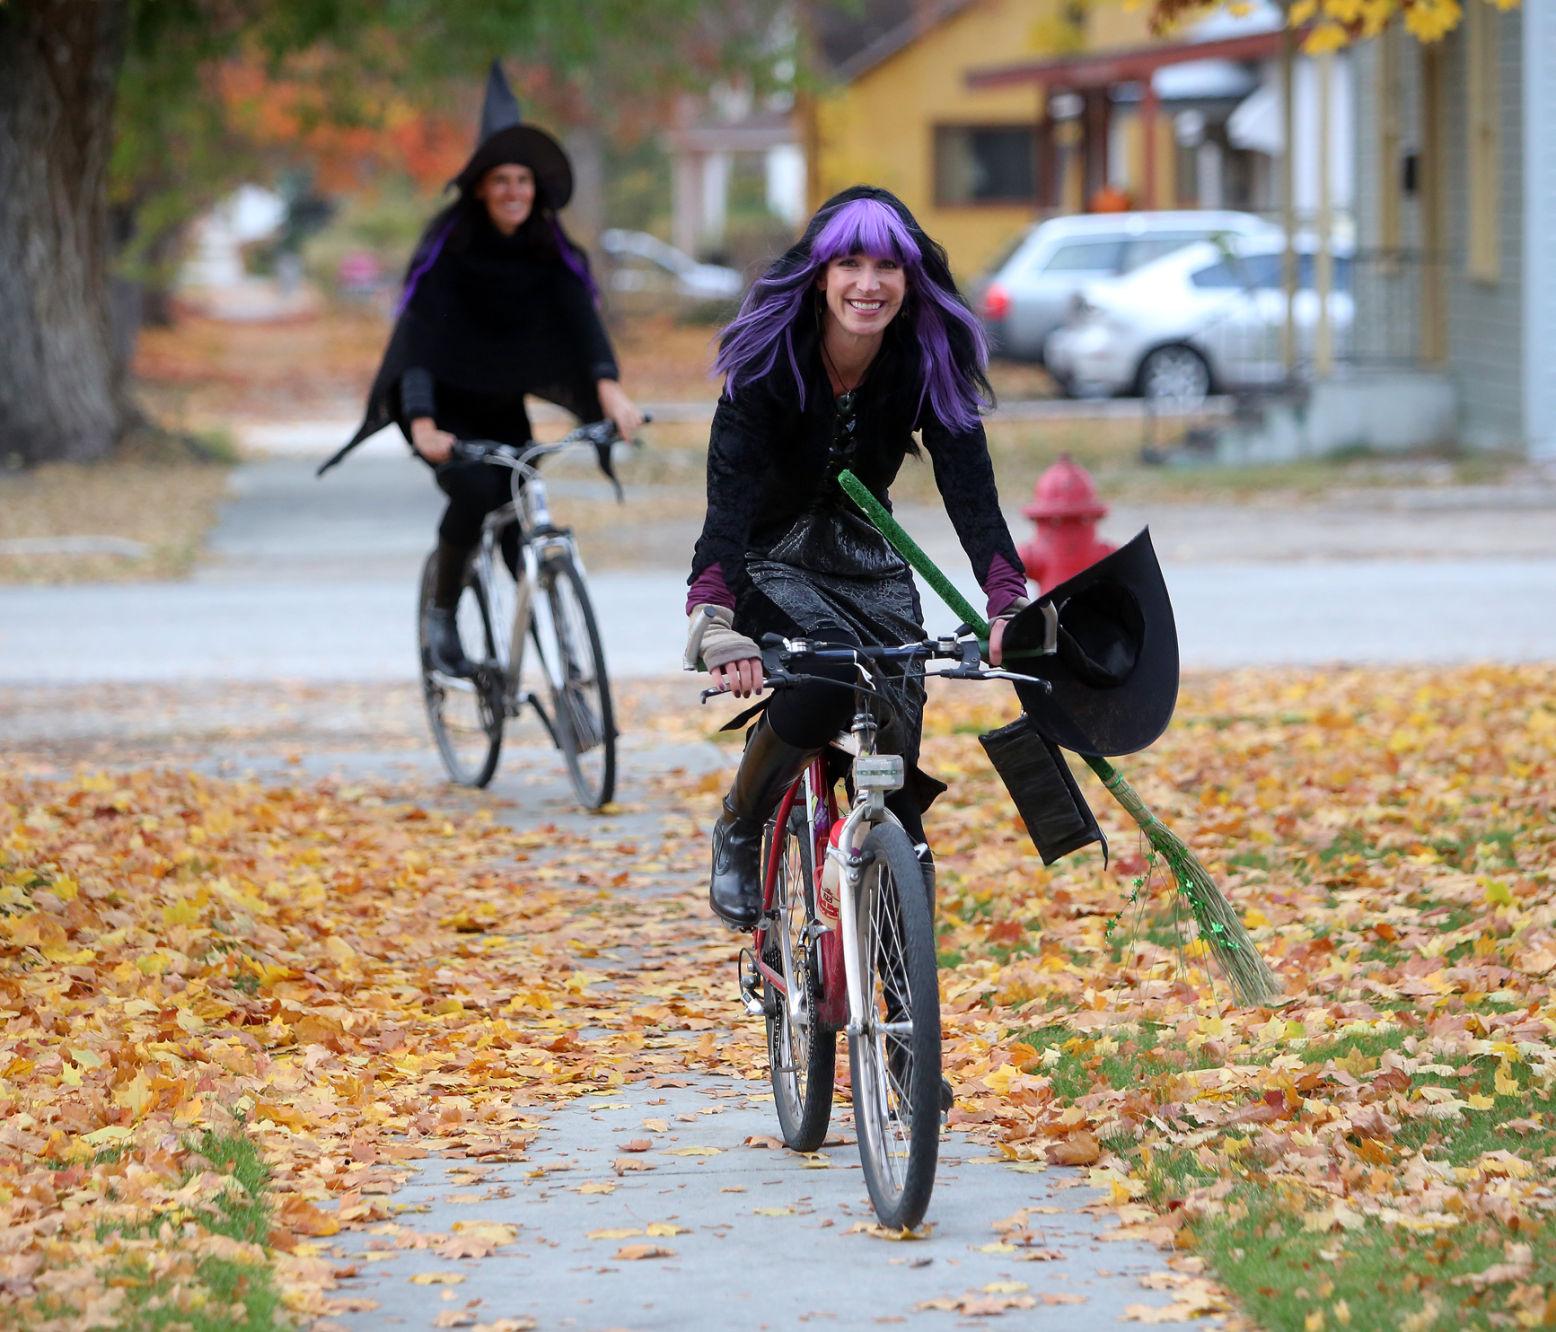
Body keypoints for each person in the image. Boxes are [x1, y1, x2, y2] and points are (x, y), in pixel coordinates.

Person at [685, 184, 1030, 933]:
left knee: (898, 779)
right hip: (768, 559)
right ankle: (742, 823)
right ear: (818, 275)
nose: (867, 284)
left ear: (910, 282)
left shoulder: (923, 361)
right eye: (849, 264)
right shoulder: (768, 363)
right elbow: (730, 498)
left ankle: (904, 998)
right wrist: (714, 617)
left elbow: (970, 488)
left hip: (865, 560)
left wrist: (1007, 597)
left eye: (886, 267)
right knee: (827, 676)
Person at [321, 62, 642, 674]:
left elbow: (581, 321)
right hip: (439, 405)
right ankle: (442, 622)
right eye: (501, 179)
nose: (514, 190)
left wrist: (612, 393)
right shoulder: (451, 249)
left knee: (524, 506)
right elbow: (417, 343)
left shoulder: (550, 250)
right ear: (480, 188)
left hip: (500, 406)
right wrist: (421, 426)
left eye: (523, 179)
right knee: (473, 494)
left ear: (536, 188)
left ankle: (560, 670)